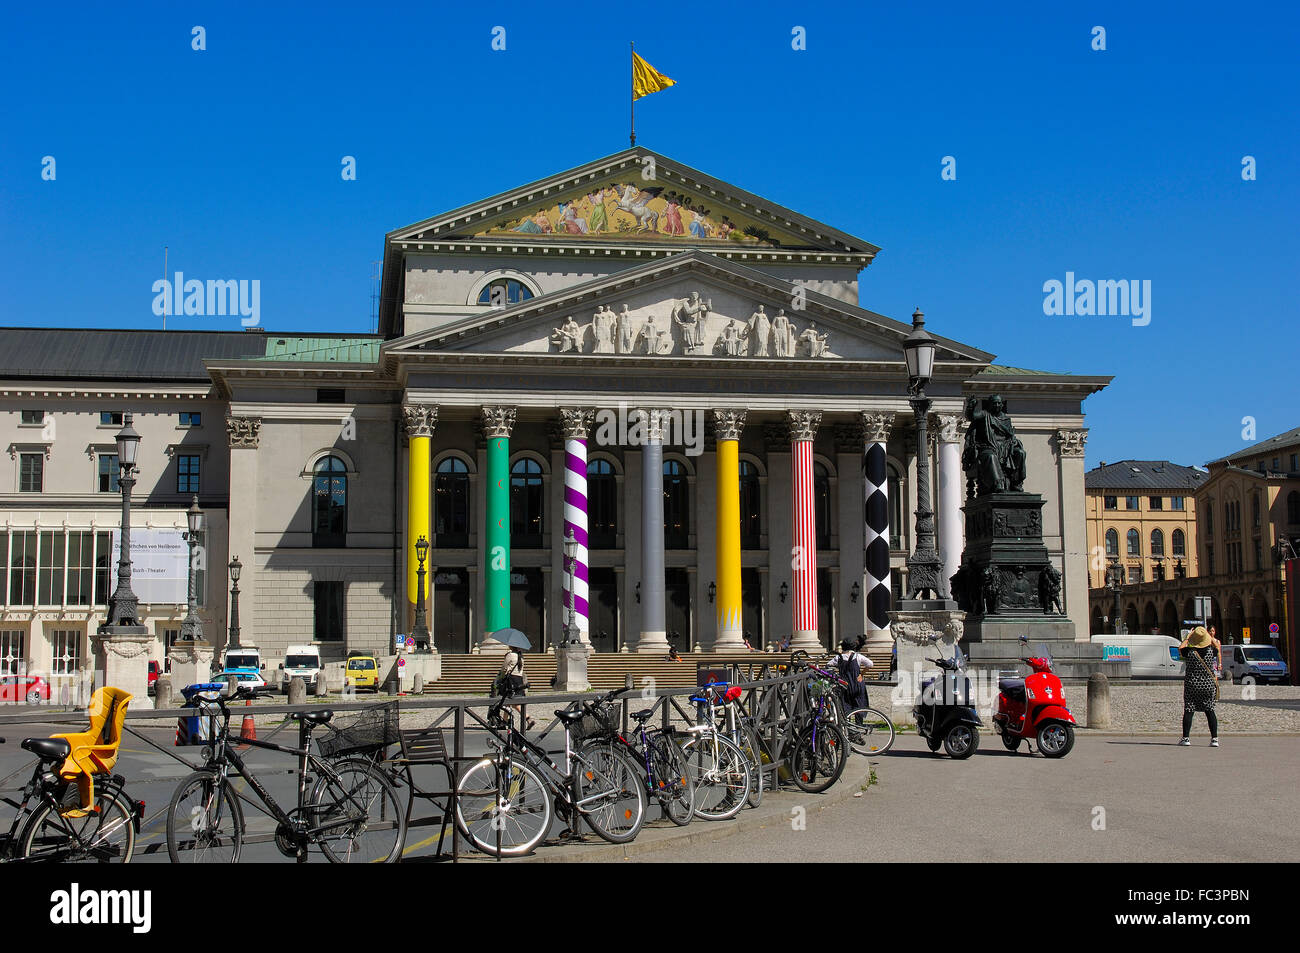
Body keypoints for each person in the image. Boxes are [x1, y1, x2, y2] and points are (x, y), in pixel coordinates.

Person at [1178, 625, 1222, 746]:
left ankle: (1186, 738)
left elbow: (1180, 648)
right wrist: (1209, 636)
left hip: (1192, 684)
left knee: (1189, 710)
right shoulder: (1210, 651)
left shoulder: (1190, 652)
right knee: (1210, 711)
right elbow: (1217, 646)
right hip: (1208, 685)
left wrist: (1188, 637)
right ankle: (1214, 739)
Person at [498, 645, 535, 731]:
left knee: (513, 703)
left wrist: (501, 677)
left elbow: (504, 668)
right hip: (519, 680)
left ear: (511, 646)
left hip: (511, 680)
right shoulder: (521, 657)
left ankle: (528, 719)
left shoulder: (510, 655)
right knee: (507, 701)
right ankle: (504, 722)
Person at [836, 640, 868, 719]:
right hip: (857, 683)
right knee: (859, 704)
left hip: (844, 684)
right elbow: (870, 664)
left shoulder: (838, 657)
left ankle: (847, 724)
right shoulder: (857, 656)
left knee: (845, 704)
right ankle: (859, 724)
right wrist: (861, 674)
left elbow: (828, 665)